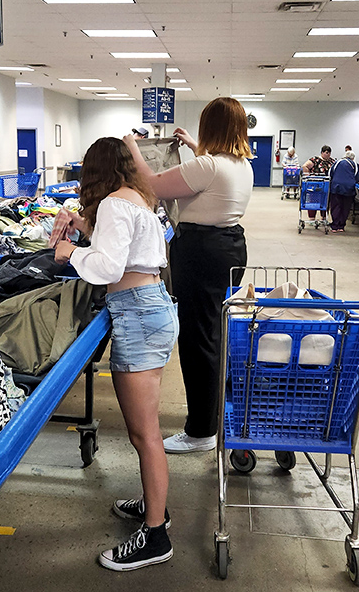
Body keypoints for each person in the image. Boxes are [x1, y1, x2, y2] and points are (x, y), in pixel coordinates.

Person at [52, 137, 178, 571]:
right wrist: (85, 229)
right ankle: (153, 504)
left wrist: (70, 251)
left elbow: (108, 267)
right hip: (152, 307)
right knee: (146, 433)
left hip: (138, 314)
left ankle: (156, 535)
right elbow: (127, 250)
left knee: (145, 435)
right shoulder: (137, 199)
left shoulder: (112, 204)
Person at [123, 97, 253, 454]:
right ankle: (212, 416)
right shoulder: (241, 164)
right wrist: (195, 147)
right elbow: (210, 173)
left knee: (197, 341)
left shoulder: (208, 166)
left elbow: (153, 184)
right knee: (211, 333)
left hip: (202, 253)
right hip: (229, 247)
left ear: (210, 126)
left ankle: (200, 431)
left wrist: (132, 146)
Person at [328, 150, 359, 232]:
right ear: (353, 158)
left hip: (336, 187)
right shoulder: (354, 164)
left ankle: (335, 226)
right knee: (346, 207)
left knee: (336, 206)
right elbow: (357, 178)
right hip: (349, 188)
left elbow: (330, 174)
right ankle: (341, 226)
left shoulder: (337, 162)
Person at [302, 145, 334, 221]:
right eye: (326, 152)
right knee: (313, 201)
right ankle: (312, 218)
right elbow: (304, 166)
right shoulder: (315, 160)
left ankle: (324, 217)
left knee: (325, 201)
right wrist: (308, 177)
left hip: (326, 185)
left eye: (329, 153)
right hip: (315, 184)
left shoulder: (332, 161)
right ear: (322, 152)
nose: (328, 154)